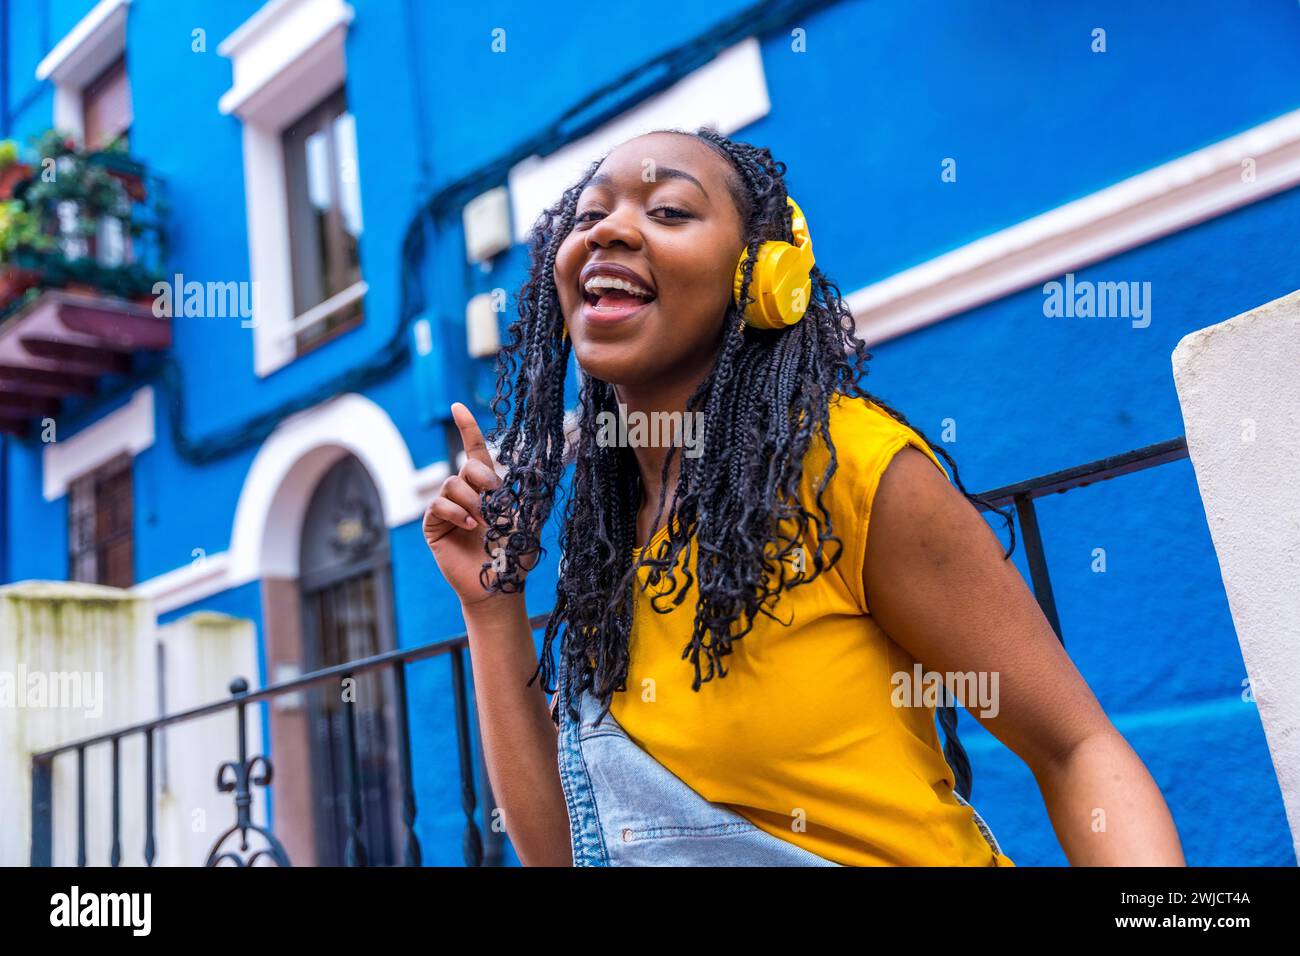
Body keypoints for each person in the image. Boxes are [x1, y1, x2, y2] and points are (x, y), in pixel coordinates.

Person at [422, 126, 1185, 867]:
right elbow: (568, 851)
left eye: (669, 212)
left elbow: (1074, 747)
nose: (611, 231)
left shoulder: (849, 467)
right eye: (589, 215)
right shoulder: (604, 545)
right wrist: (491, 605)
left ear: (761, 278)